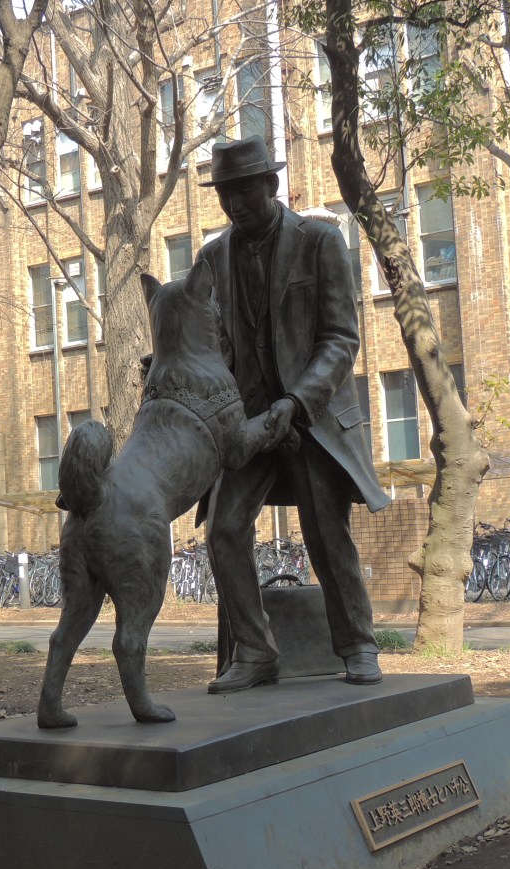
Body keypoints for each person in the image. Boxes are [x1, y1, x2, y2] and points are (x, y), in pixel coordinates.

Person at [194, 136, 392, 693]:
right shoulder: (212, 258)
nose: (234, 203)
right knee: (224, 531)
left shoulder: (320, 241)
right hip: (248, 423)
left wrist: (297, 402)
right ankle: (256, 652)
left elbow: (340, 338)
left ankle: (358, 644)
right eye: (225, 193)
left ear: (271, 185)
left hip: (313, 420)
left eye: (244, 190)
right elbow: (214, 343)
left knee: (327, 533)